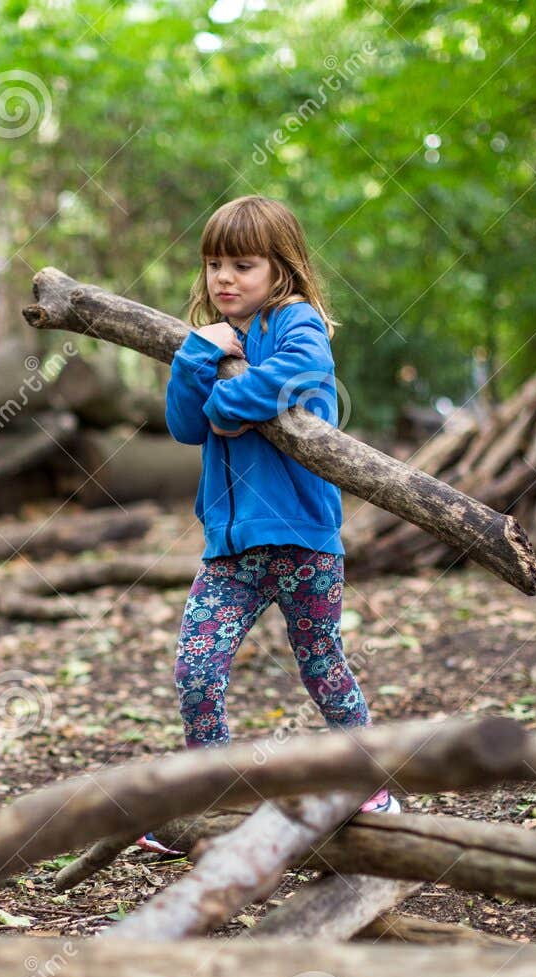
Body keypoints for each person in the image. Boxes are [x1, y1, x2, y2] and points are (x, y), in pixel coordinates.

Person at [142, 196, 398, 857]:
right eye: (213, 265)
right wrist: (198, 357)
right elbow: (183, 424)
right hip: (229, 553)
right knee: (198, 670)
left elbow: (302, 372)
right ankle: (212, 797)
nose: (223, 278)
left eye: (242, 265)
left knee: (321, 664)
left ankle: (371, 780)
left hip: (304, 543)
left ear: (280, 269)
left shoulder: (295, 321)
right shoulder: (211, 336)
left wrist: (229, 401)